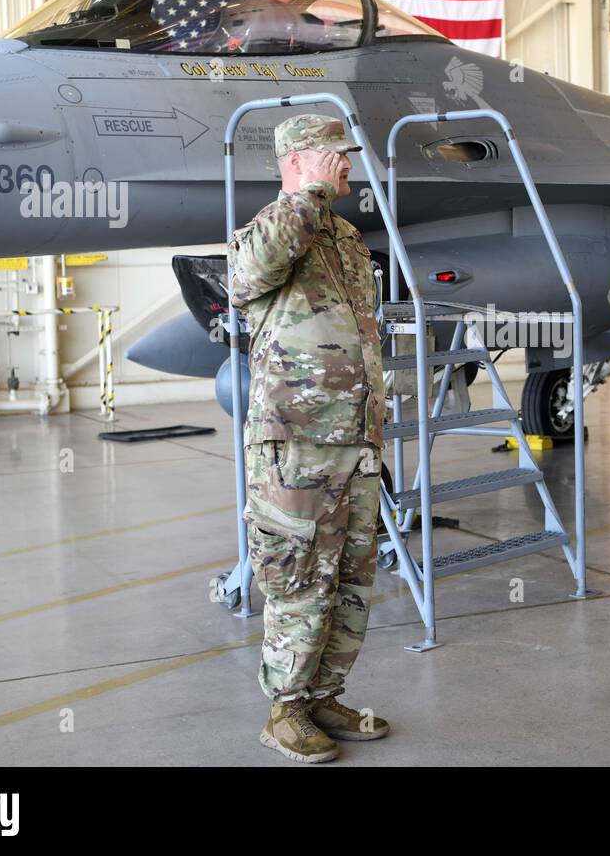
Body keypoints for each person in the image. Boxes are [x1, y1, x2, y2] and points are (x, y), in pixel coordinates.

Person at [229, 113, 388, 763]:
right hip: (294, 446)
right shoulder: (271, 229)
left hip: (354, 442)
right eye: (335, 155)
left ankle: (322, 694)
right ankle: (285, 709)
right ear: (298, 160)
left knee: (350, 578)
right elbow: (247, 277)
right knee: (298, 578)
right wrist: (305, 198)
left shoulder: (347, 237)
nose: (348, 164)